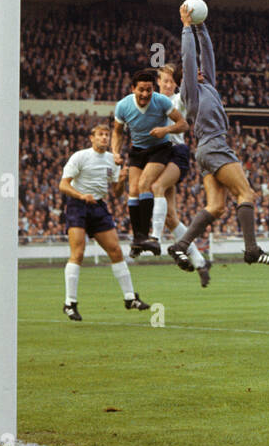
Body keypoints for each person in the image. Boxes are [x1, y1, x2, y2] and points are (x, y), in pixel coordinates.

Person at [167, 3, 269, 268]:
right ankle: (251, 249)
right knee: (246, 194)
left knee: (216, 206)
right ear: (186, 79)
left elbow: (208, 54)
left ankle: (180, 246)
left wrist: (201, 27)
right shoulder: (190, 92)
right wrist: (186, 28)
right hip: (214, 145)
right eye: (196, 71)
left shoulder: (209, 86)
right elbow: (189, 59)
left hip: (206, 150)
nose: (201, 69)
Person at [60, 122, 149, 317]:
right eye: (100, 135)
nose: (104, 138)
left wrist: (122, 180)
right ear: (92, 138)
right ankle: (70, 302)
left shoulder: (112, 160)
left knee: (116, 251)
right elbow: (63, 185)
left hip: (98, 206)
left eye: (106, 135)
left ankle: (130, 298)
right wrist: (81, 195)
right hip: (77, 205)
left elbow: (116, 193)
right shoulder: (80, 156)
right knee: (78, 253)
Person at [111, 70, 185, 256]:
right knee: (133, 190)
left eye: (149, 90)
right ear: (133, 89)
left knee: (145, 184)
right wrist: (115, 152)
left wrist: (165, 130)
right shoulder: (123, 106)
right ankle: (138, 238)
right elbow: (117, 132)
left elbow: (183, 124)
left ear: (154, 89)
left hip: (160, 148)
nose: (145, 94)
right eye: (141, 90)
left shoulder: (162, 101)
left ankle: (147, 237)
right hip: (138, 150)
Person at [153, 62, 209, 286]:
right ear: (158, 82)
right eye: (165, 81)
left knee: (156, 188)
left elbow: (189, 94)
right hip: (157, 156)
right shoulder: (150, 102)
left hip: (174, 154)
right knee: (171, 217)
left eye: (172, 82)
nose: (168, 85)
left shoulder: (177, 101)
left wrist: (195, 80)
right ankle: (200, 262)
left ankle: (154, 239)